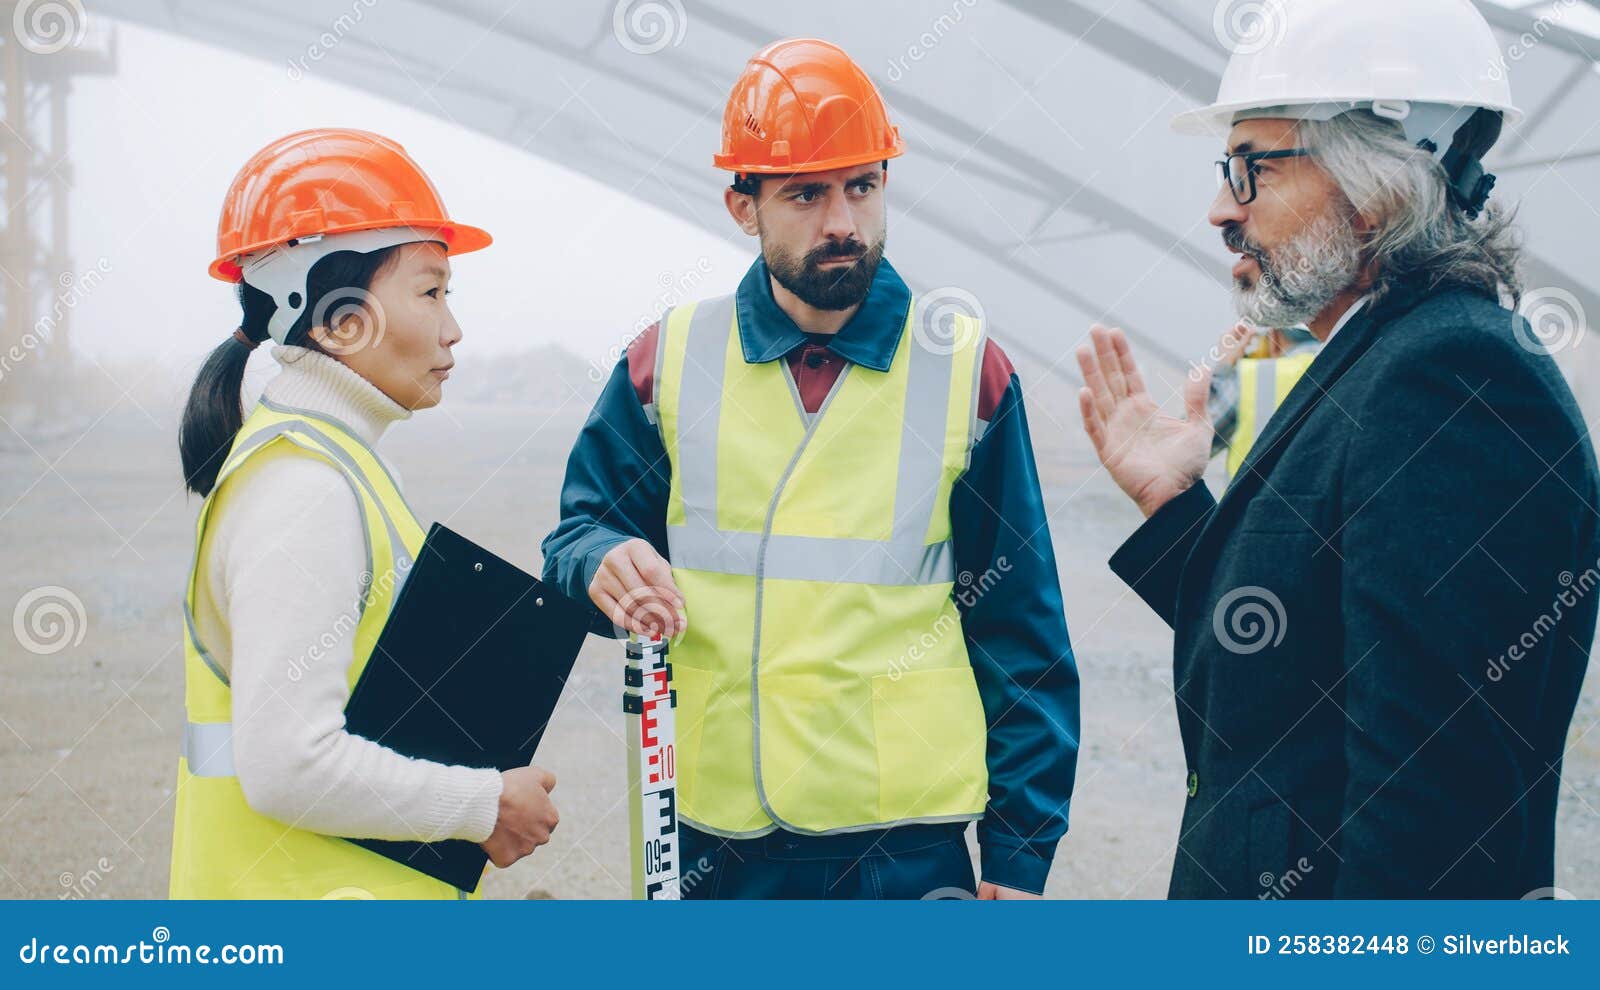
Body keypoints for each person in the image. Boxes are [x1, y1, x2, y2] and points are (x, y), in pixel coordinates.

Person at [1076, 0, 1598, 898]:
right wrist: (1175, 510)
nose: (1216, 210)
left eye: (1250, 169)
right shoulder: (1380, 359)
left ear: (1377, 178)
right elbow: (1304, 659)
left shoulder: (1454, 383)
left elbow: (1431, 809)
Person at [542, 39, 1080, 900]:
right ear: (740, 204)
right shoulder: (667, 362)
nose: (844, 223)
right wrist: (598, 561)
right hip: (715, 842)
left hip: (904, 855)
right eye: (806, 193)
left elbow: (1023, 631)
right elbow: (575, 534)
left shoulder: (963, 369)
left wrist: (1019, 863)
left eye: (862, 187)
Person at [170, 129, 559, 899]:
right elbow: (288, 766)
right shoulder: (302, 488)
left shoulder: (334, 466)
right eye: (430, 292)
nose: (453, 329)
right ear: (340, 316)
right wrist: (485, 806)